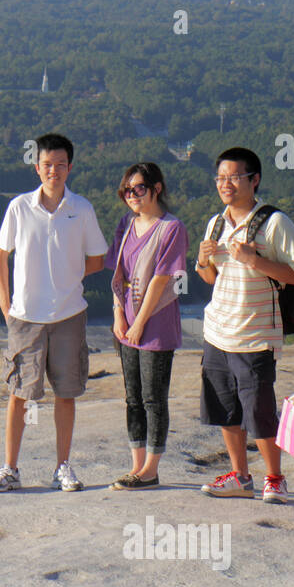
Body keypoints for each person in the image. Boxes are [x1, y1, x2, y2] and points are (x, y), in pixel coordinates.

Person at [0, 133, 107, 493]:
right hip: (26, 317)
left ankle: (63, 467)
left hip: (69, 314)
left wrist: (67, 277)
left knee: (66, 393)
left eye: (61, 164)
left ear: (70, 167)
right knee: (20, 393)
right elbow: (0, 255)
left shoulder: (81, 208)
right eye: (47, 164)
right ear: (37, 167)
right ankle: (10, 468)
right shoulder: (20, 207)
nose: (53, 171)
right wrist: (6, 304)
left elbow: (97, 258)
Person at [196, 147, 294, 504]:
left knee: (259, 410)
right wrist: (202, 262)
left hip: (257, 334)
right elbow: (212, 278)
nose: (225, 184)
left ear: (254, 180)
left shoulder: (275, 223)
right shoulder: (215, 223)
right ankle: (241, 476)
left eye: (234, 177)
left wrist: (254, 259)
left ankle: (275, 478)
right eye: (220, 178)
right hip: (218, 330)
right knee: (225, 409)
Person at [108, 163, 188, 490]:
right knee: (133, 398)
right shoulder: (126, 225)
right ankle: (136, 465)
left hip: (156, 324)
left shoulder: (171, 228)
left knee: (154, 397)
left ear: (156, 188)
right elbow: (118, 274)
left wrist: (140, 322)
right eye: (127, 190)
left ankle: (152, 470)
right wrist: (119, 315)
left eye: (139, 188)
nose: (132, 196)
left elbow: (162, 279)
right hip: (126, 321)